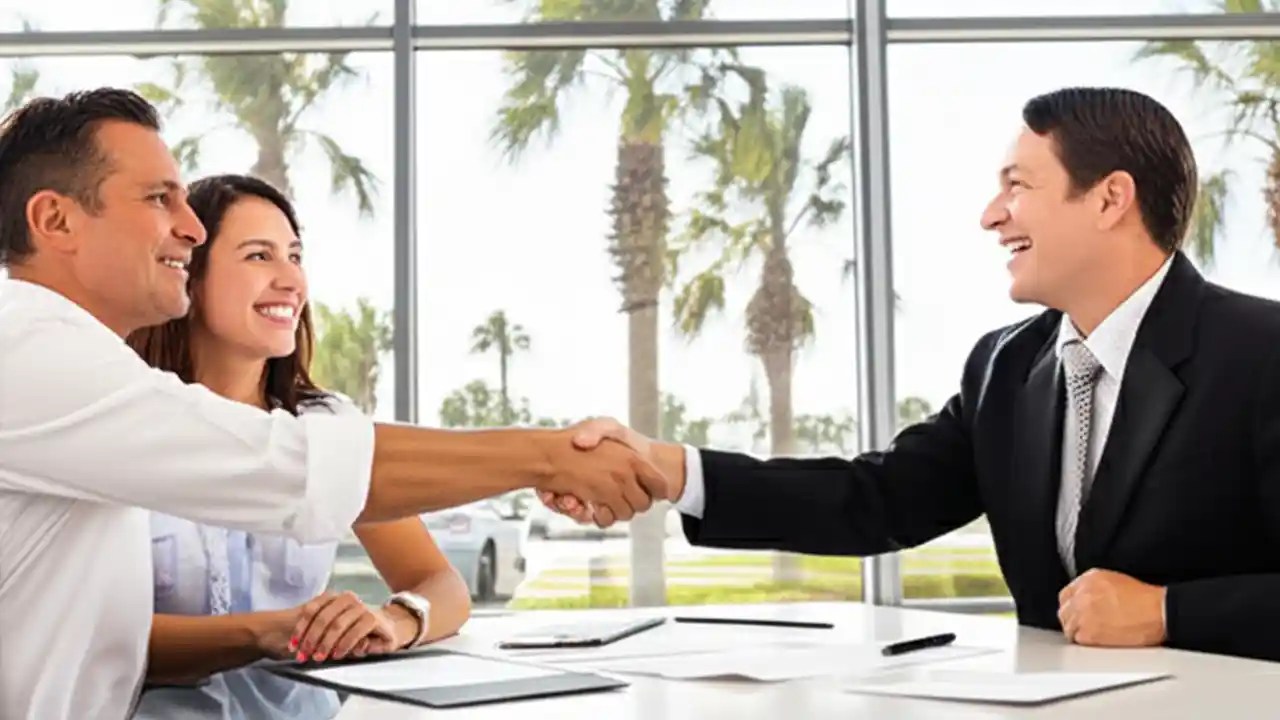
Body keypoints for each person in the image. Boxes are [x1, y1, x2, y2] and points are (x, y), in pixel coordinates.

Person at [0, 88, 670, 720]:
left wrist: (393, 616)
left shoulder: (85, 369)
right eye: (157, 199)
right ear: (54, 219)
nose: (190, 231)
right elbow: (295, 472)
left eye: (293, 254)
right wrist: (549, 457)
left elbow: (101, 635)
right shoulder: (30, 353)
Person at [558, 86, 1280, 663]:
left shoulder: (1262, 353)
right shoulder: (1006, 367)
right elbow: (879, 497)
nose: (991, 215)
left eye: (1017, 185)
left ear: (1110, 199)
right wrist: (672, 469)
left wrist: (1165, 611)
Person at [120, 174, 472, 718]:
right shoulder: (124, 424)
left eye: (295, 255)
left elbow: (440, 582)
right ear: (189, 275)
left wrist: (397, 620)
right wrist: (264, 632)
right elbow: (98, 639)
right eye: (259, 256)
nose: (291, 280)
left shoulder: (324, 427)